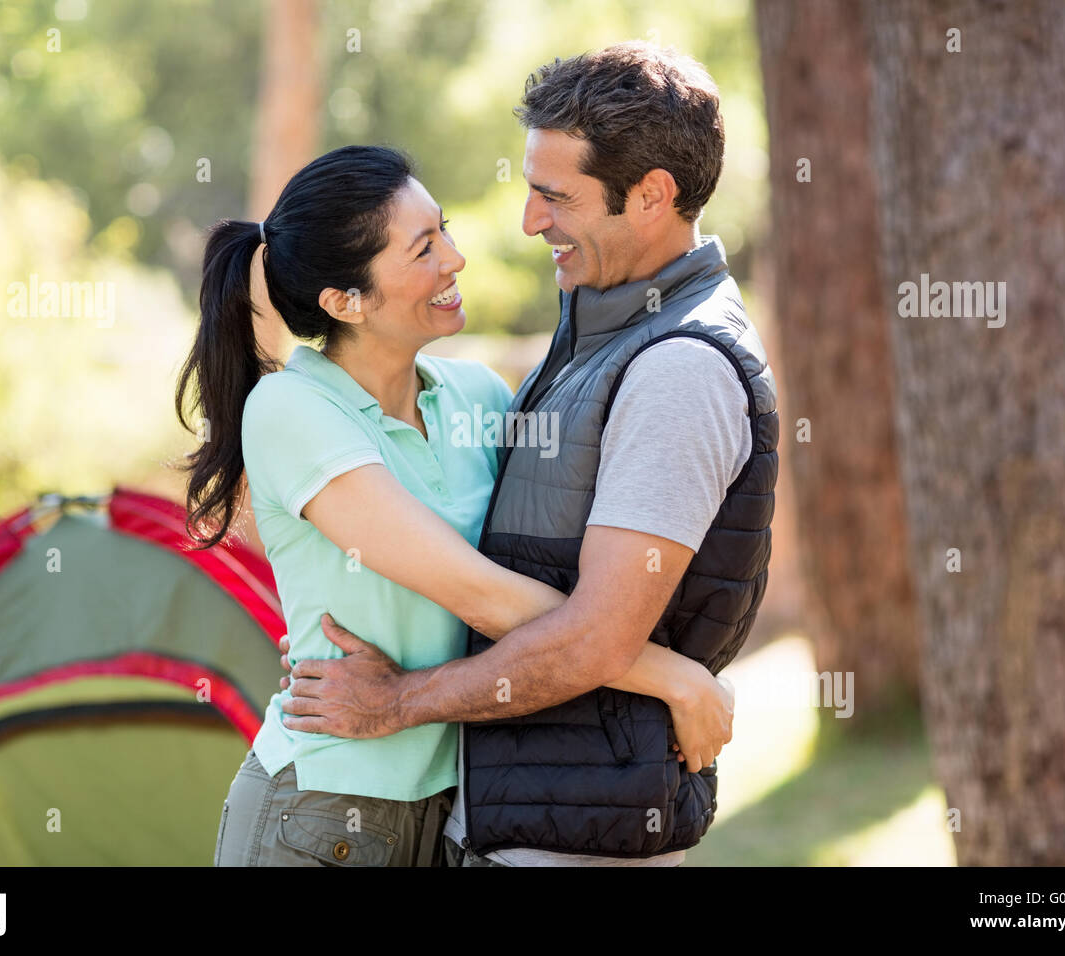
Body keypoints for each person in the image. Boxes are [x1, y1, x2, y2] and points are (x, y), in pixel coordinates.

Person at [282, 42, 778, 866]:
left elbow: (596, 638)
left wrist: (399, 702)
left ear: (651, 196)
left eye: (556, 196)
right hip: (532, 814)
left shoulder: (678, 371)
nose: (529, 221)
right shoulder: (598, 326)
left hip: (583, 831)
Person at [175, 143, 733, 866]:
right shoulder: (291, 410)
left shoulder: (478, 399)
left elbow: (554, 570)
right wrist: (673, 678)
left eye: (445, 229)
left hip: (461, 814)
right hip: (321, 815)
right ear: (346, 302)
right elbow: (477, 592)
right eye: (423, 249)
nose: (456, 259)